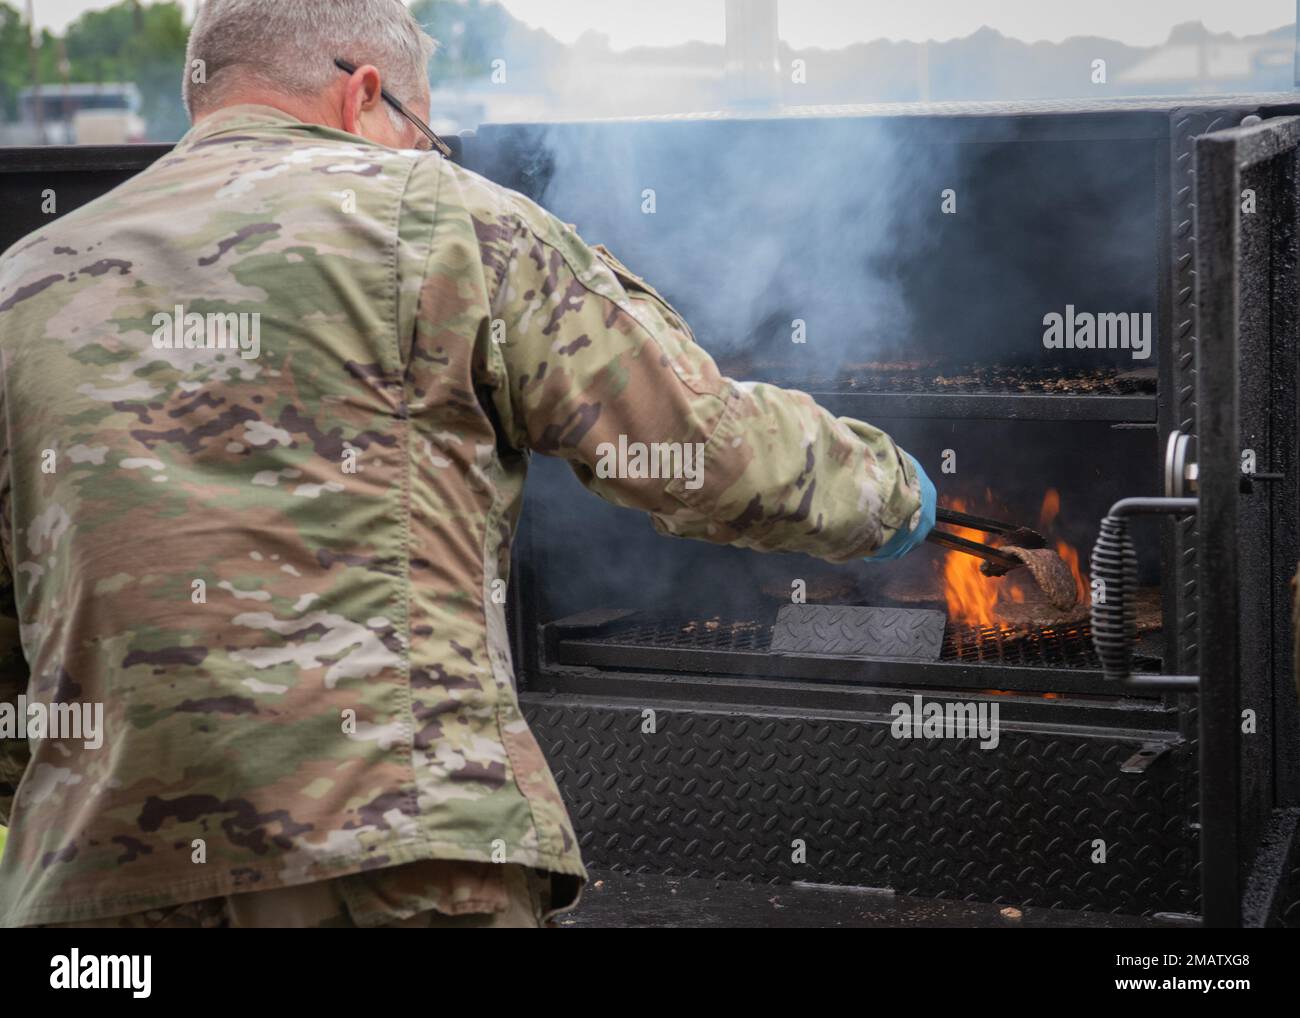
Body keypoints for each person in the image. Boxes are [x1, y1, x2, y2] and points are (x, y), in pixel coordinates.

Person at [0, 0, 935, 929]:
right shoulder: (444, 222)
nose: (420, 154)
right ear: (364, 92)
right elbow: (706, 448)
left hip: (97, 882)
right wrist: (891, 496)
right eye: (421, 131)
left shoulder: (25, 283)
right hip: (406, 856)